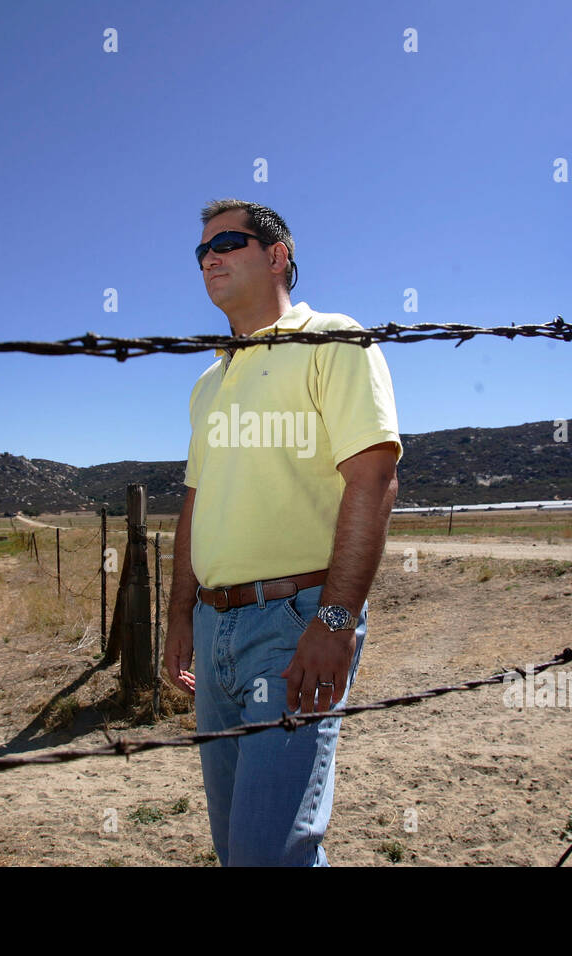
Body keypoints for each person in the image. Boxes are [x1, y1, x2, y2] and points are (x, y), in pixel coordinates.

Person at [163, 198, 403, 866]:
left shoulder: (334, 339)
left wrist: (334, 620)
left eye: (227, 243)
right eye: (201, 251)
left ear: (278, 254)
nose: (209, 257)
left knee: (267, 853)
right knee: (242, 848)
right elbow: (195, 501)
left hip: (293, 623)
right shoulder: (209, 381)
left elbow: (374, 478)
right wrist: (180, 614)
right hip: (214, 631)